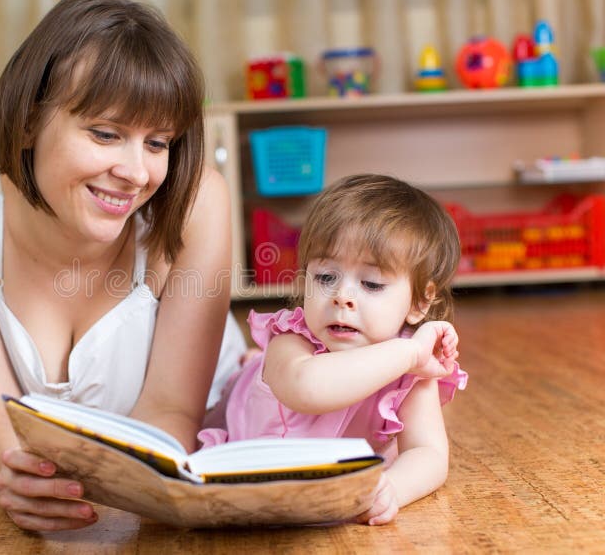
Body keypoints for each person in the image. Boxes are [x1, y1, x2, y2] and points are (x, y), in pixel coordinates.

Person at [0, 0, 246, 532]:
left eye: (157, 142)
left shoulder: (195, 203)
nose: (137, 173)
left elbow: (172, 411)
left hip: (207, 433)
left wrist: (102, 488)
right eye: (106, 133)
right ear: (27, 122)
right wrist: (13, 476)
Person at [199, 174, 468, 526]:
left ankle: (252, 365)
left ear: (420, 301)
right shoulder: (292, 339)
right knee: (221, 400)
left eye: (371, 284)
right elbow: (309, 389)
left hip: (321, 483)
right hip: (249, 445)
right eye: (326, 277)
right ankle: (251, 369)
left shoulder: (413, 369)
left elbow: (428, 452)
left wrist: (393, 488)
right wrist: (408, 354)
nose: (343, 297)